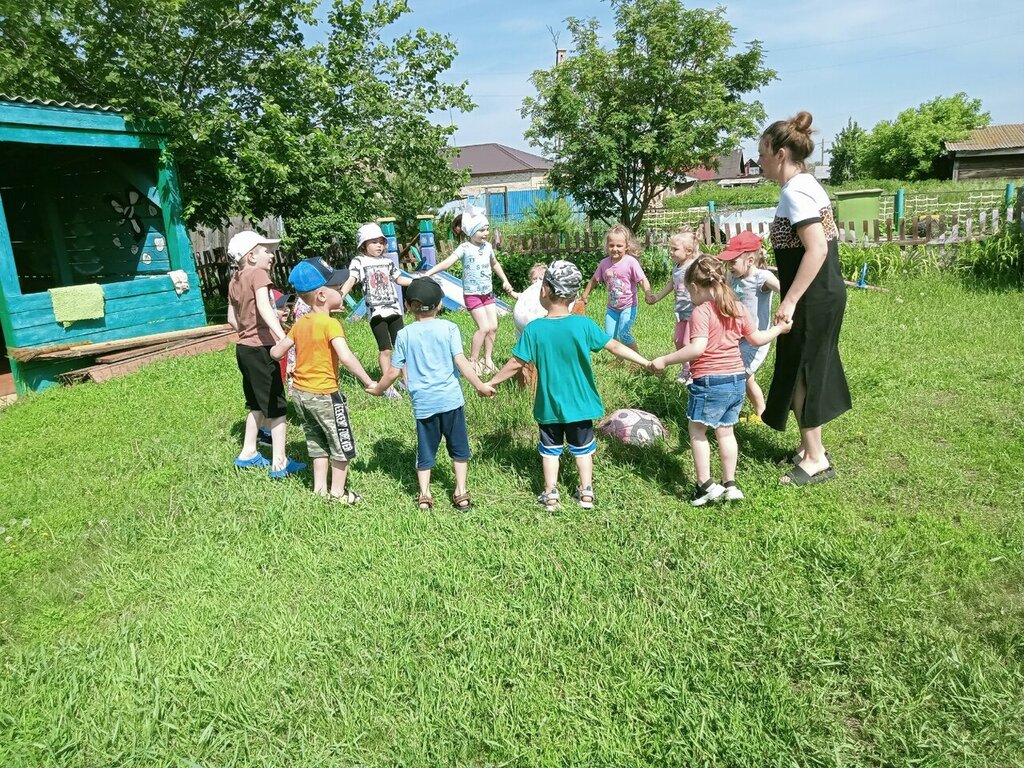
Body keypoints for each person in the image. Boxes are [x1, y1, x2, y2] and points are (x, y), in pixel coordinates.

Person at [487, 260, 651, 511]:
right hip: (581, 404)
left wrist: (492, 381)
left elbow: (515, 363)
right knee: (583, 450)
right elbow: (615, 346)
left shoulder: (534, 329)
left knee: (550, 450)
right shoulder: (582, 325)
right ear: (575, 295)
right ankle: (586, 492)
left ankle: (551, 493)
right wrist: (645, 361)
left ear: (544, 290)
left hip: (550, 406)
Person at [650, 256, 792, 506]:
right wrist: (779, 329)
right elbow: (758, 338)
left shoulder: (701, 311)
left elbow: (697, 349)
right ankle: (730, 484)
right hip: (737, 380)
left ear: (694, 287)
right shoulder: (737, 307)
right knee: (726, 433)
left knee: (697, 431)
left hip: (710, 382)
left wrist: (664, 359)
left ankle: (705, 485)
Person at [758, 111, 851, 485]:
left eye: (762, 153)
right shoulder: (809, 184)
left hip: (812, 298)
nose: (759, 161)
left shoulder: (795, 192)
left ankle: (816, 458)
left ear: (780, 153)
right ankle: (807, 446)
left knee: (802, 373)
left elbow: (816, 250)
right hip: (824, 293)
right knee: (803, 367)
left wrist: (790, 299)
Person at [366, 278, 495, 511]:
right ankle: (461, 492)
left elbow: (393, 372)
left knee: (425, 449)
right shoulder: (449, 328)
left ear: (407, 306)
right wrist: (480, 385)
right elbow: (461, 362)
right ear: (440, 304)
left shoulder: (404, 334)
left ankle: (424, 494)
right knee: (459, 449)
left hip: (424, 404)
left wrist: (378, 389)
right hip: (451, 400)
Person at [270, 259, 376, 502]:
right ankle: (338, 493)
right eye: (338, 289)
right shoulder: (331, 324)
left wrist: (275, 352)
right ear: (321, 296)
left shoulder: (299, 324)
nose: (342, 292)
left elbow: (277, 352)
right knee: (341, 443)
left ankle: (319, 490)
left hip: (300, 394)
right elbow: (346, 357)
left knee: (317, 441)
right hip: (325, 394)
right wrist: (368, 382)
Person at [226, 230, 305, 478]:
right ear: (250, 256)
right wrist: (281, 337)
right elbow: (263, 306)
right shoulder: (258, 274)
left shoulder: (234, 280)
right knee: (276, 406)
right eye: (265, 251)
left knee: (256, 404)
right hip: (261, 349)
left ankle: (248, 452)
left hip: (244, 349)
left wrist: (247, 333)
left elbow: (231, 318)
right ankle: (279, 462)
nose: (271, 255)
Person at [423, 207, 518, 375]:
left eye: (487, 229)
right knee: (483, 328)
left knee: (493, 327)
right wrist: (428, 273)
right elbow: (447, 262)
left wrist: (505, 280)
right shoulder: (465, 248)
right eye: (481, 230)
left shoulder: (487, 247)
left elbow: (494, 264)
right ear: (471, 231)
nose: (485, 232)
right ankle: (472, 362)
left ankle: (487, 360)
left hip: (487, 293)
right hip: (472, 295)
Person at [339, 223, 414, 400]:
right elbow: (351, 280)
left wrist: (417, 281)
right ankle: (387, 385)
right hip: (377, 313)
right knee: (385, 349)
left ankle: (407, 381)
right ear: (363, 245)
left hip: (394, 309)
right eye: (374, 242)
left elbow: (399, 279)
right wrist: (339, 296)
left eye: (381, 241)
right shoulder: (359, 261)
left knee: (402, 346)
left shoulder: (387, 261)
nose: (379, 245)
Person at [716, 231, 781, 421]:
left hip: (756, 339)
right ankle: (761, 412)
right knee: (746, 377)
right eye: (728, 263)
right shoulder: (733, 276)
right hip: (736, 336)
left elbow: (785, 290)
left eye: (733, 262)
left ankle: (727, 415)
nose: (729, 266)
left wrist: (788, 309)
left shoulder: (762, 277)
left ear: (750, 260)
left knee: (739, 375)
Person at [580, 224, 653, 354]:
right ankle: (619, 361)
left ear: (626, 246)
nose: (615, 249)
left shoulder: (630, 262)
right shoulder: (604, 264)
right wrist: (584, 296)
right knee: (609, 337)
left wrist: (648, 293)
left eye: (619, 246)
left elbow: (642, 280)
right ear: (607, 246)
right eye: (611, 245)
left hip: (628, 306)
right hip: (612, 308)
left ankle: (636, 359)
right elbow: (594, 280)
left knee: (624, 334)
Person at [646, 228, 700, 383]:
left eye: (675, 249)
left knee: (687, 343)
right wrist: (657, 297)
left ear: (689, 251)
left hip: (693, 309)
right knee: (677, 340)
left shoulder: (693, 266)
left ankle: (692, 372)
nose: (671, 252)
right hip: (680, 310)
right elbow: (671, 284)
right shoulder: (677, 267)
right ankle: (687, 369)